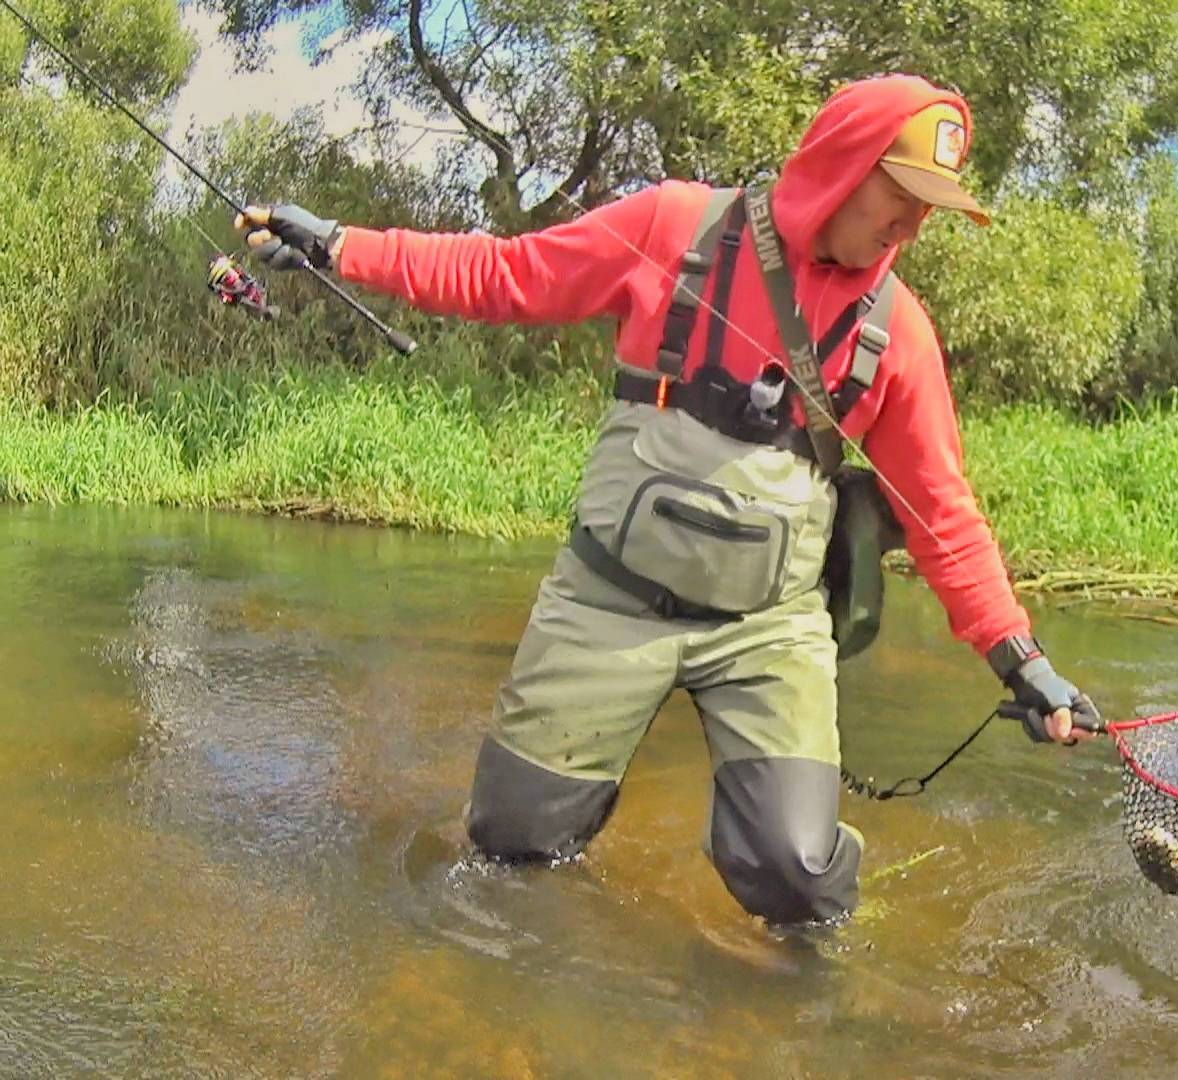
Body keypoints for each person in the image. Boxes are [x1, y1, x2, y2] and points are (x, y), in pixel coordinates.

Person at [236, 73, 1100, 926]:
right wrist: (339, 247)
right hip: (610, 596)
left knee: (798, 877)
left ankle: (807, 1018)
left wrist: (1021, 662)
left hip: (770, 629)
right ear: (844, 165)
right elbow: (505, 274)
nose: (914, 223)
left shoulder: (900, 331)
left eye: (930, 206)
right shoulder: (672, 225)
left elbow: (944, 514)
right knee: (511, 846)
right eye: (900, 194)